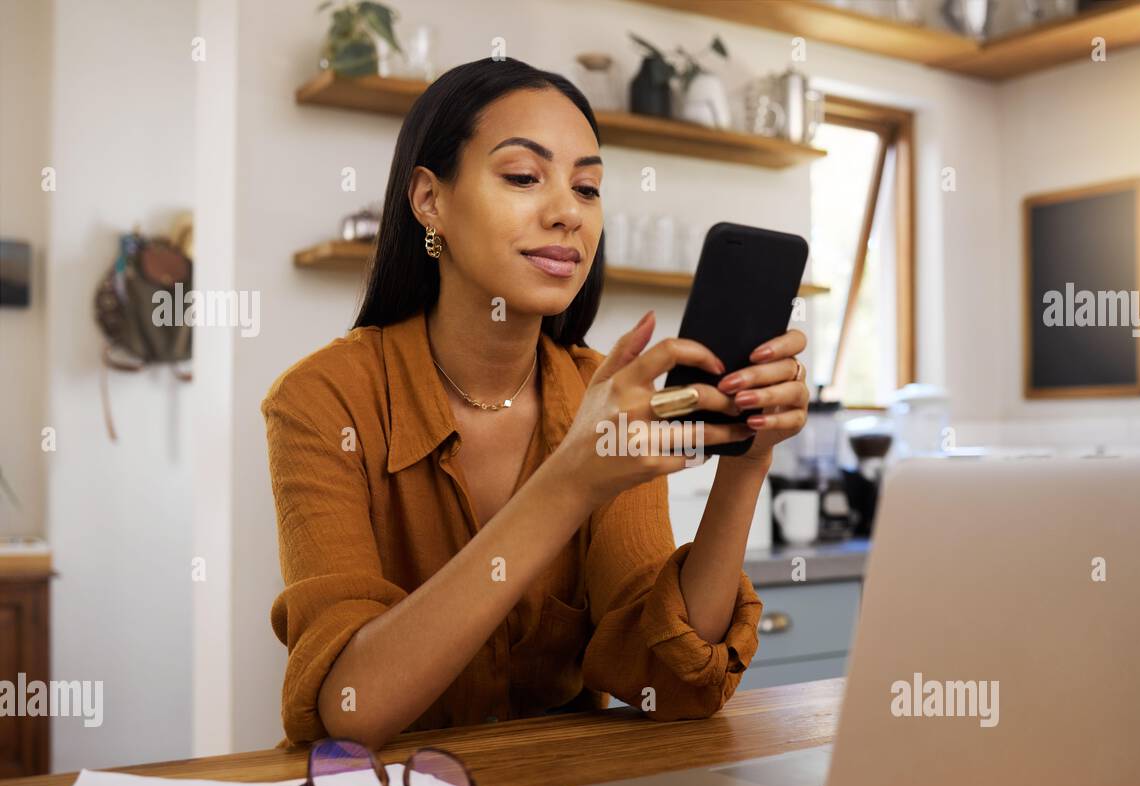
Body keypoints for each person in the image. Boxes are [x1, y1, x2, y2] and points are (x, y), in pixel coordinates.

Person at [263, 57, 809, 749]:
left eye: (587, 188)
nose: (566, 214)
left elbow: (669, 685)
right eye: (524, 177)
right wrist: (571, 480)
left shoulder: (603, 394)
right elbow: (349, 706)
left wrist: (745, 464)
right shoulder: (322, 400)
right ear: (429, 199)